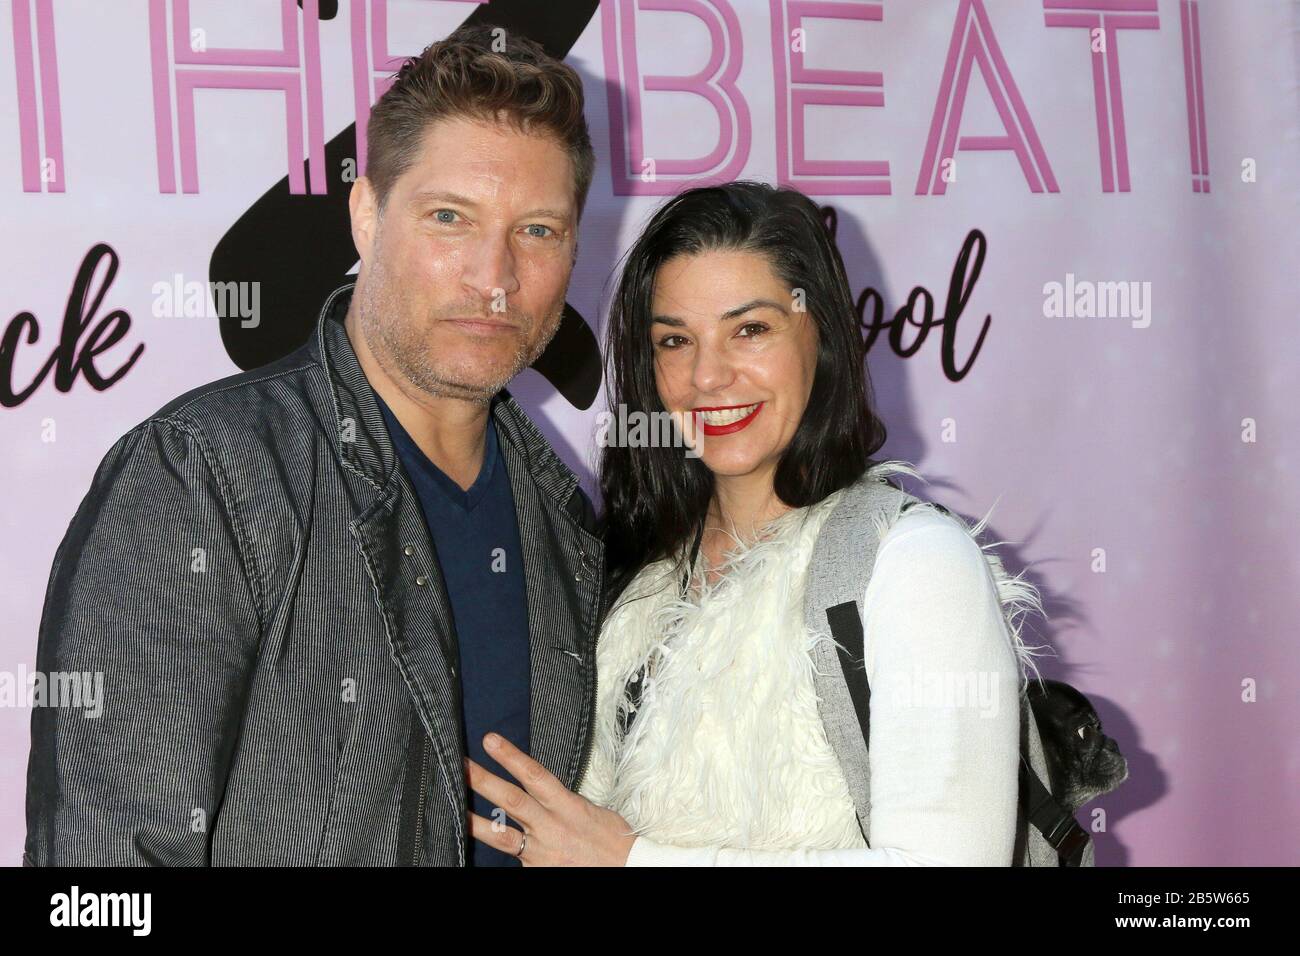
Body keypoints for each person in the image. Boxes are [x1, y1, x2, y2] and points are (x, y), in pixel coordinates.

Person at [24, 24, 601, 867]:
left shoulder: (565, 521)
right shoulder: (203, 475)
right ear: (366, 217)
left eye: (538, 231)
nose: (494, 276)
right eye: (449, 217)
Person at [466, 181, 1047, 865]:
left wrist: (633, 862)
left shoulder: (914, 561)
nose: (708, 376)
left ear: (821, 334)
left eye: (750, 329)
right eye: (675, 340)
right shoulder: (629, 578)